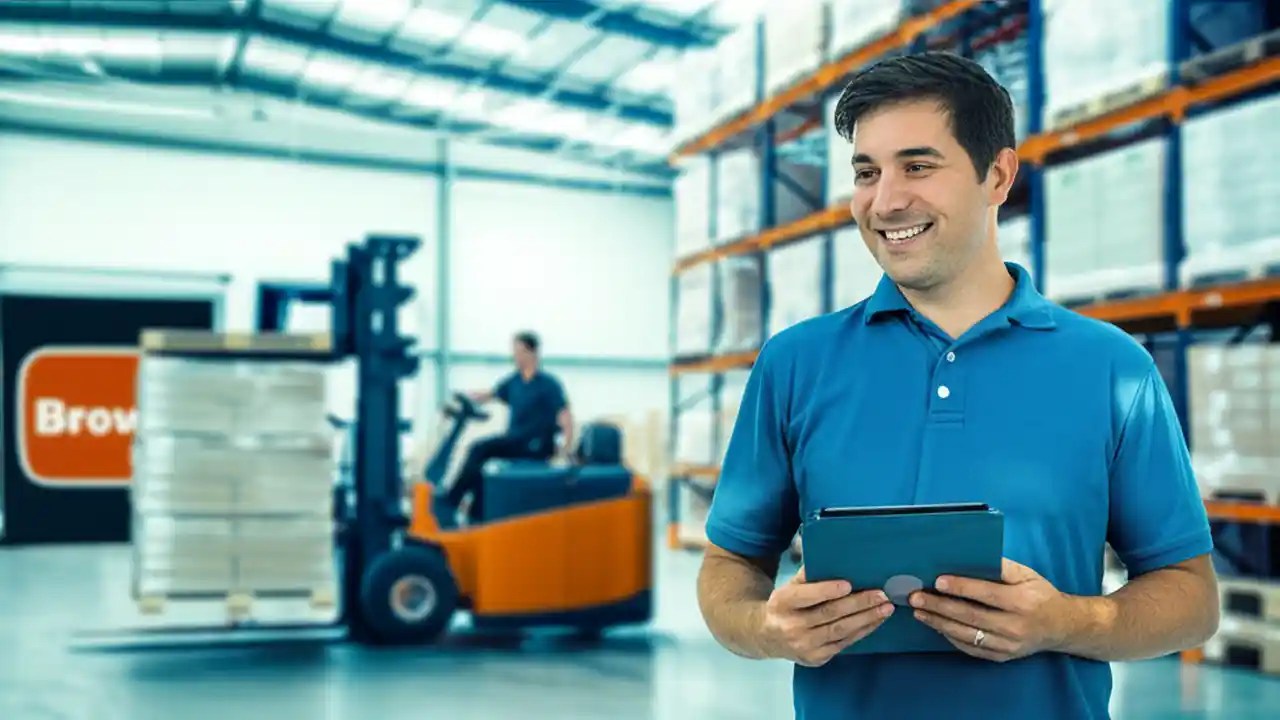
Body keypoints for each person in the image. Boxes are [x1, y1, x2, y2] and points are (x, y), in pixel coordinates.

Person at [695, 51, 1219, 719]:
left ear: (997, 175)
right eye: (866, 172)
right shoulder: (795, 364)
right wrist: (766, 629)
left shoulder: (1112, 369)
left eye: (917, 166)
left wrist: (1065, 621)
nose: (884, 201)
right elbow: (728, 567)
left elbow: (1192, 599)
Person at [439, 331, 573, 523]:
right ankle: (477, 512)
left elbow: (565, 416)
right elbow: (490, 395)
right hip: (515, 441)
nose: (515, 356)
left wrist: (566, 449)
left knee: (480, 448)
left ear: (532, 353)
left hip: (535, 445)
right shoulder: (515, 381)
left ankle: (452, 499)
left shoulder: (548, 385)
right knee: (480, 465)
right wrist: (463, 398)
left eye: (518, 351)